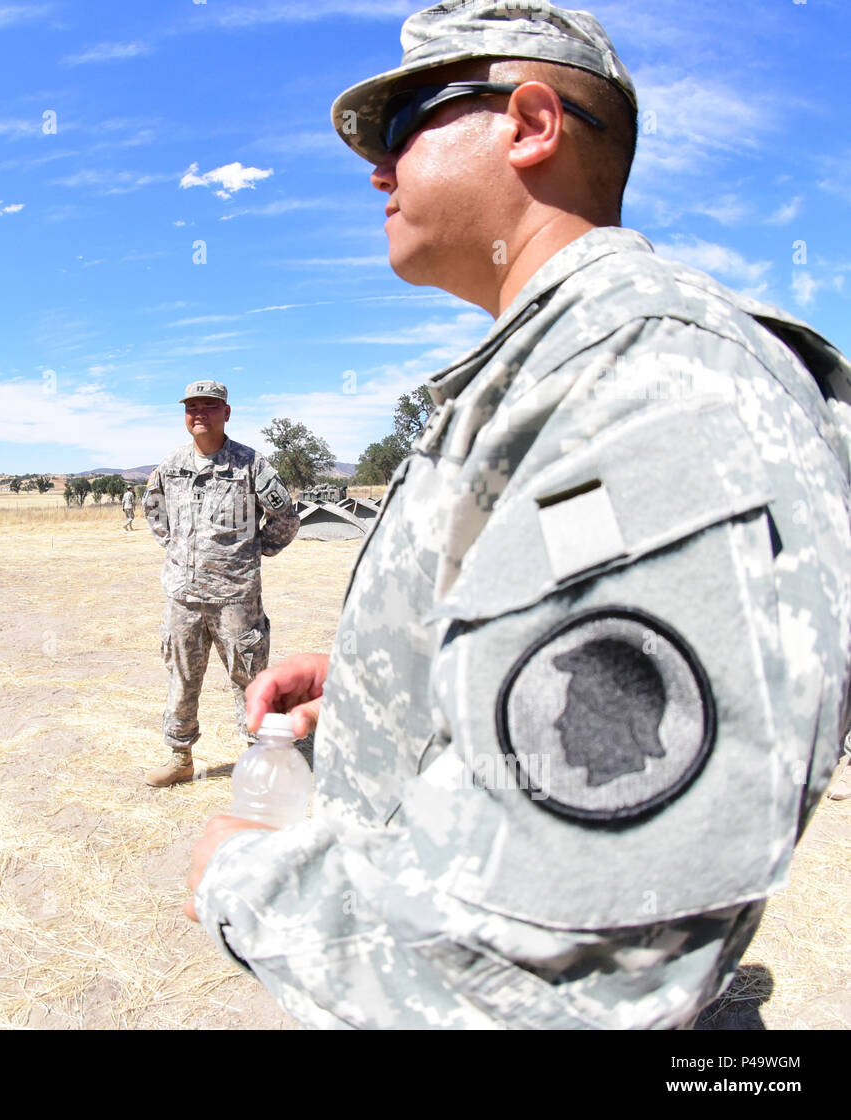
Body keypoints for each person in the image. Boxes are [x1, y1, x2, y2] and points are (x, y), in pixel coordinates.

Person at [184, 1, 851, 1028]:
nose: (377, 170)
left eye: (404, 125)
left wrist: (244, 886)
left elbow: (565, 956)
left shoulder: (656, 383)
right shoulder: (558, 371)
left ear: (530, 124)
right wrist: (380, 687)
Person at [142, 380, 300, 787]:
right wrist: (179, 550)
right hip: (183, 597)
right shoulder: (170, 466)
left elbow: (286, 520)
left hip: (235, 597)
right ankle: (180, 758)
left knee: (249, 679)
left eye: (209, 406)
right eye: (192, 406)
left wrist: (251, 552)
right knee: (181, 678)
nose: (200, 413)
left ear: (226, 413)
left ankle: (258, 761)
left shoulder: (251, 465)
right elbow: (155, 514)